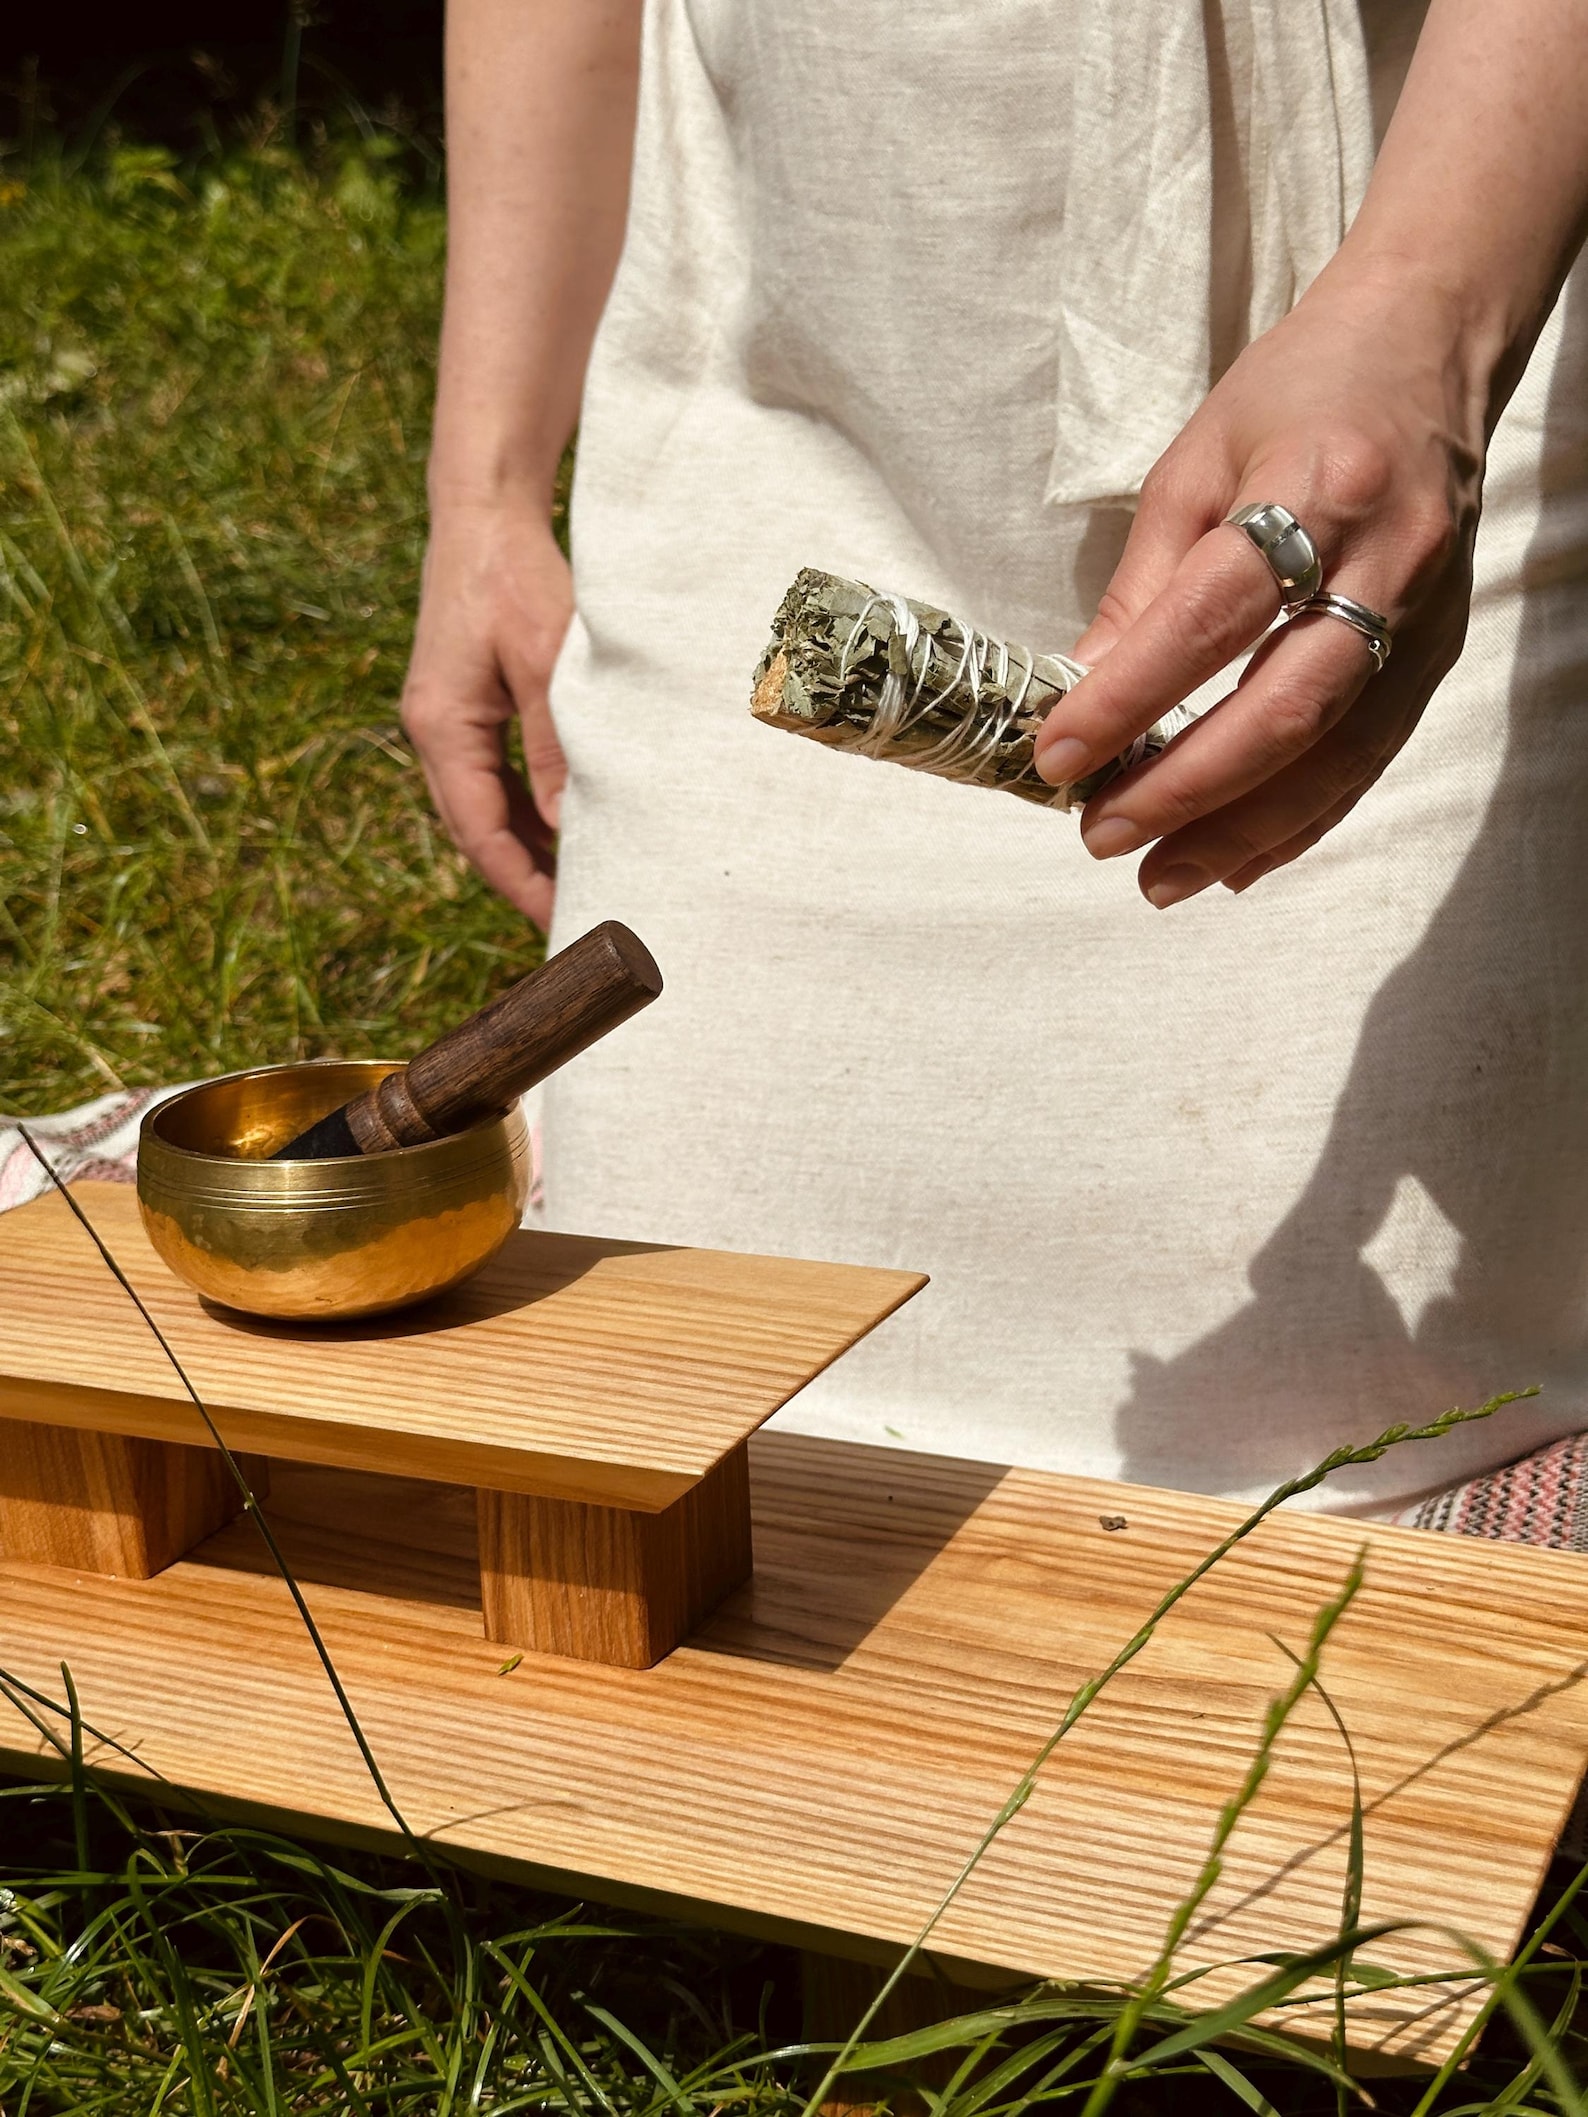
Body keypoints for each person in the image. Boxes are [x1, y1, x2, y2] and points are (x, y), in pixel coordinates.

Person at [401, 0, 1588, 1520]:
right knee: (679, 1384)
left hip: (1437, 277)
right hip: (802, 347)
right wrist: (487, 481)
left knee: (1343, 1419)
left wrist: (1430, 331)